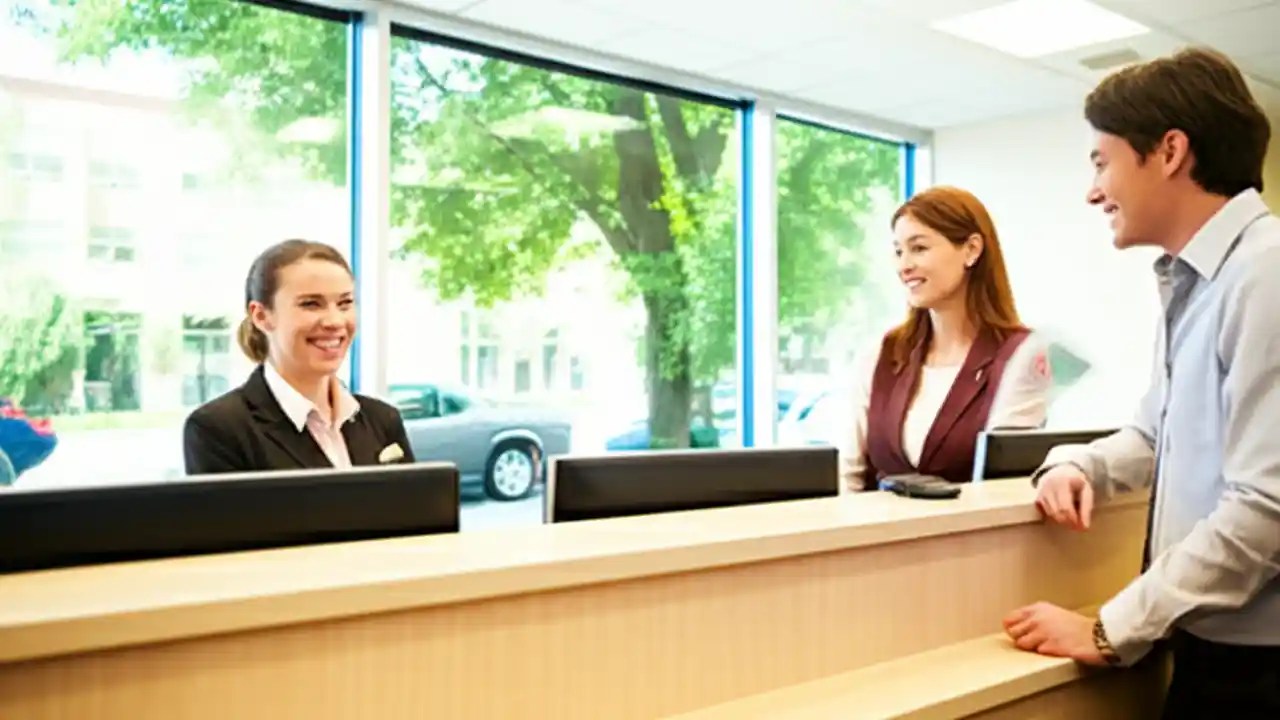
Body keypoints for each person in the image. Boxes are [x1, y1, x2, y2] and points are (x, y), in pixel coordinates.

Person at [1001, 47, 1280, 717]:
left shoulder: (1265, 275)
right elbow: (1157, 433)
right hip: (1212, 647)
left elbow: (1266, 507)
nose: (1093, 190)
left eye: (1101, 162)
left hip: (1260, 668)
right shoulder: (1200, 279)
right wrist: (1078, 464)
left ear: (1170, 151)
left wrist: (1111, 626)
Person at [838, 186, 1052, 492]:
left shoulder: (1023, 354)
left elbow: (1000, 485)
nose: (904, 265)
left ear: (971, 250)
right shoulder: (881, 355)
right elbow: (848, 475)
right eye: (899, 251)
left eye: (919, 248)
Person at [184, 240, 414, 474]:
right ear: (262, 316)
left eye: (345, 303)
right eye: (311, 304)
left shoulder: (382, 420)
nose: (335, 321)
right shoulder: (220, 429)